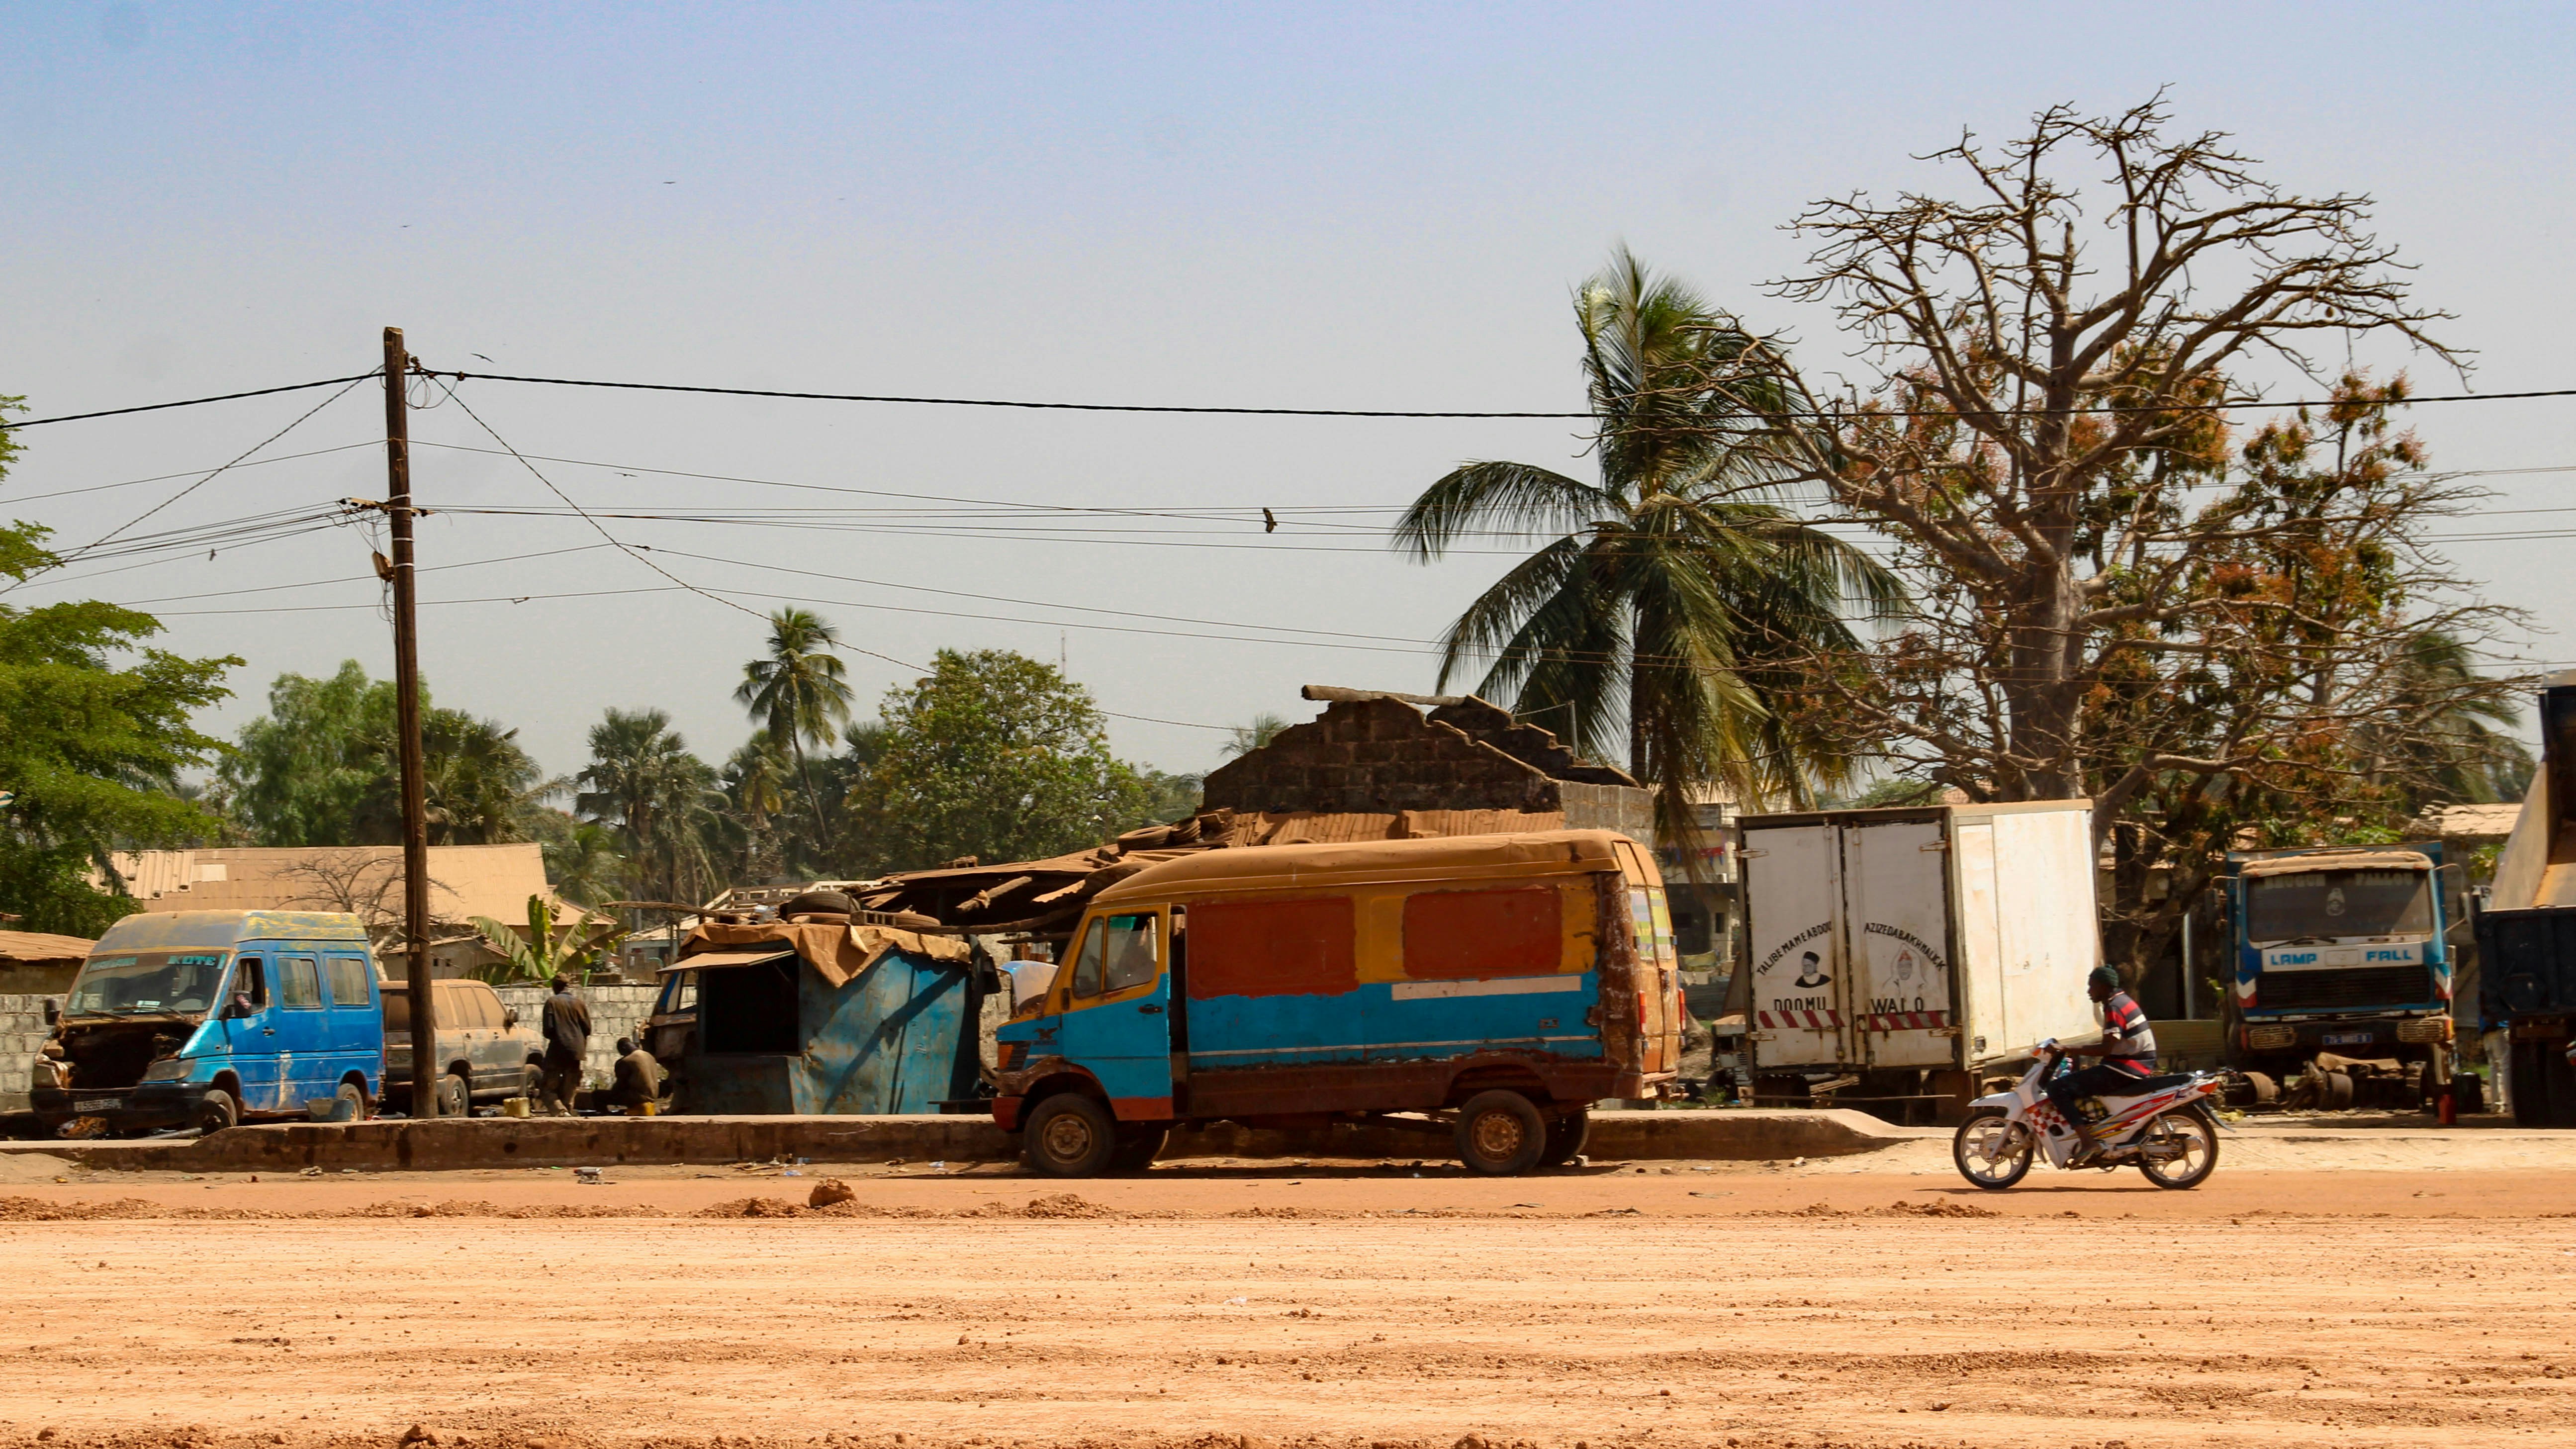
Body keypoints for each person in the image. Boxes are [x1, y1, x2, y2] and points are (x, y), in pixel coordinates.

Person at [2044, 965, 2158, 1161]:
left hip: (2127, 1068)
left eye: (2092, 987)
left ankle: (2088, 1142)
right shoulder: (2122, 1001)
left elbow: (2106, 1049)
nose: (2089, 992)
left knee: (2057, 1088)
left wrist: (2067, 1049)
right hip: (2134, 1064)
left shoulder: (2114, 1007)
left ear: (2104, 987)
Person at [538, 973, 592, 1116]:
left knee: (548, 1088)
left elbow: (548, 1030)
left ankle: (561, 1112)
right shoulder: (579, 1003)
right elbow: (588, 1029)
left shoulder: (552, 1002)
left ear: (555, 987)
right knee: (571, 1085)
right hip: (577, 1051)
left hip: (558, 1050)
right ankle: (567, 1110)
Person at [610, 1037, 664, 1115]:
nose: (623, 1055)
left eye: (622, 1053)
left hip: (639, 1098)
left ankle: (605, 1117)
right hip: (654, 1096)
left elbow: (620, 1085)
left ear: (624, 1048)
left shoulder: (627, 1060)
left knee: (598, 1095)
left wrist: (612, 1093)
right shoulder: (649, 1056)